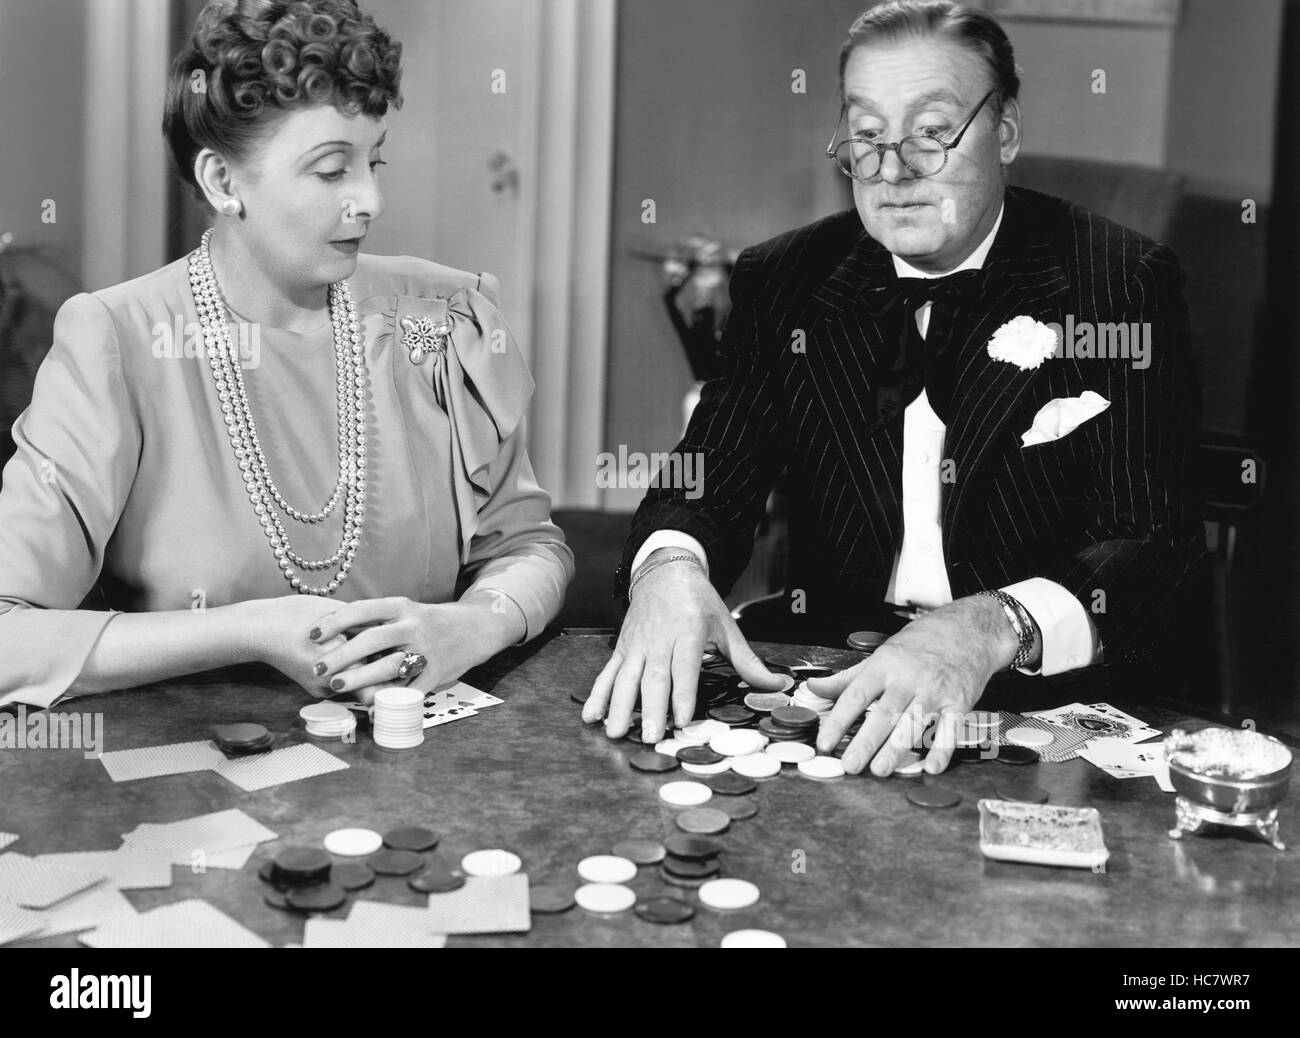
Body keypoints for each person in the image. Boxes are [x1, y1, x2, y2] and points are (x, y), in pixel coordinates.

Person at [585, 0, 1201, 777]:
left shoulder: (1117, 283)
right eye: (869, 137)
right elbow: (707, 470)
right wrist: (668, 567)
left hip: (1039, 701)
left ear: (1004, 131)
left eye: (932, 132)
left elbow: (1151, 546)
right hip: (836, 677)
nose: (894, 169)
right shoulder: (787, 280)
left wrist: (985, 627)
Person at [0, 0, 573, 710]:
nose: (370, 198)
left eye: (375, 160)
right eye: (332, 171)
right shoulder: (116, 338)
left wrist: (472, 626)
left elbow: (530, 548)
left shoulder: (441, 317)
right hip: (195, 787)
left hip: (422, 775)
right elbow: (7, 636)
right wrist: (248, 630)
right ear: (221, 181)